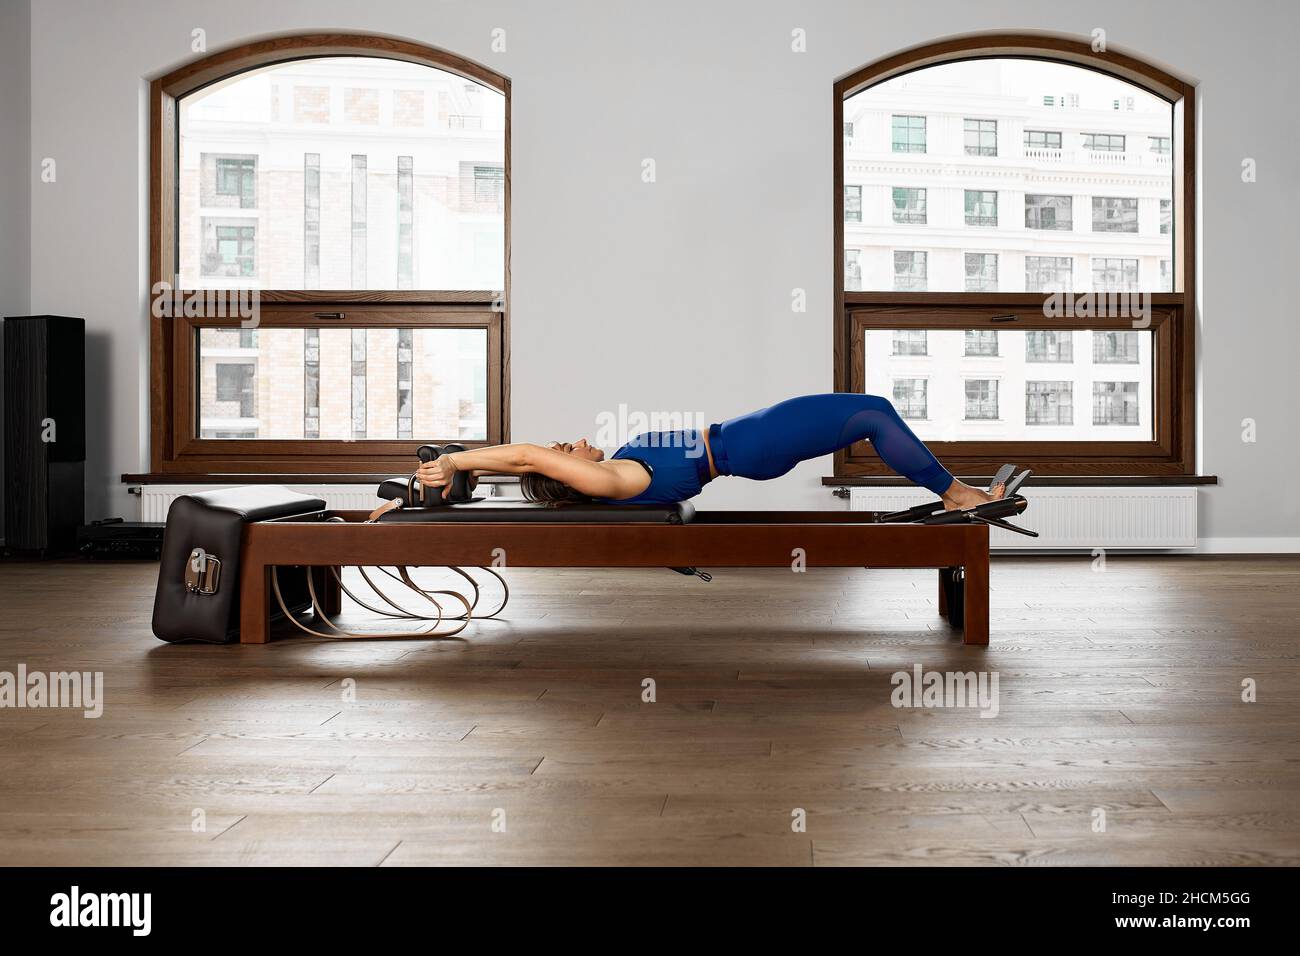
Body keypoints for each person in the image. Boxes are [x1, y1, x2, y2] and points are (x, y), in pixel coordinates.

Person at [418, 393, 1008, 510]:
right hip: (751, 444)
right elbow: (524, 457)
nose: (567, 444)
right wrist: (454, 462)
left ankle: (953, 492)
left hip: (747, 434)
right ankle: (956, 495)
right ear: (571, 475)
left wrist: (462, 465)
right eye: (563, 451)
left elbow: (526, 460)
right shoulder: (613, 481)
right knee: (872, 413)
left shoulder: (622, 465)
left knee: (871, 413)